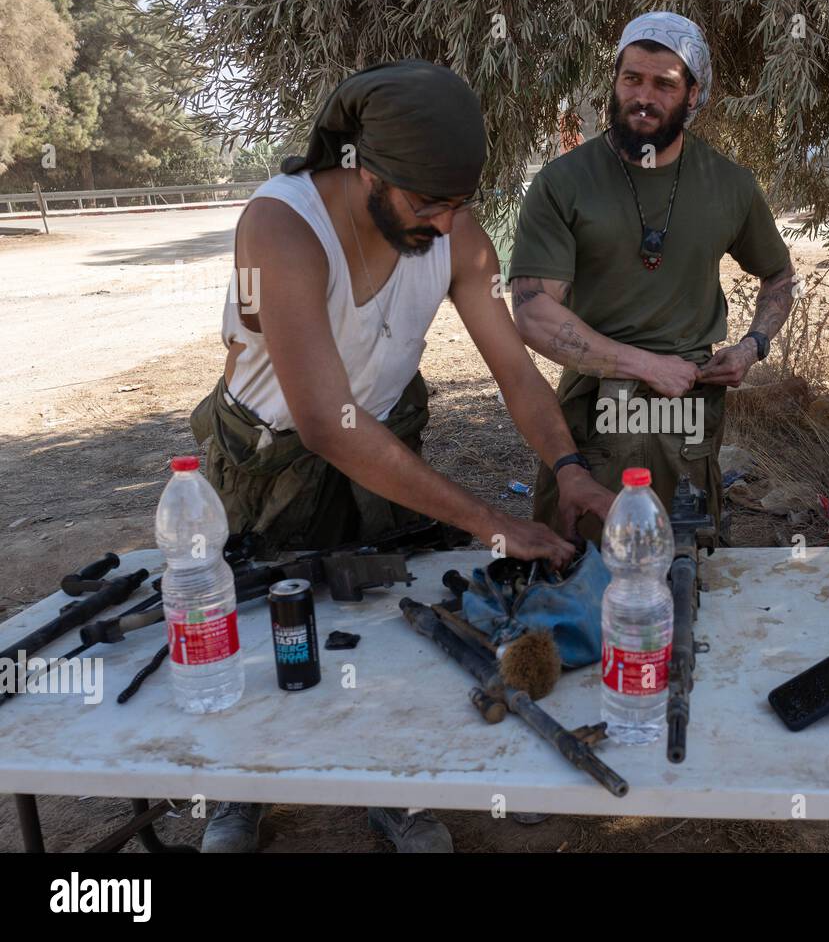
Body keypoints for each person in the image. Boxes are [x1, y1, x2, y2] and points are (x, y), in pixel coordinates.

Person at [189, 60, 614, 853]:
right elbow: (323, 422)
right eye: (429, 203)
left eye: (461, 205)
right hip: (268, 465)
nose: (447, 224)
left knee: (384, 629)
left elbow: (517, 373)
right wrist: (490, 522)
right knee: (271, 630)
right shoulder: (280, 228)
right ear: (366, 171)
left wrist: (568, 468)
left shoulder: (456, 240)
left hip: (382, 445)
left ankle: (392, 789)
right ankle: (238, 786)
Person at [509, 12, 795, 537]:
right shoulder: (563, 183)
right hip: (592, 409)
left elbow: (779, 278)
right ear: (614, 81)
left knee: (685, 562)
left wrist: (753, 345)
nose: (644, 96)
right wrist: (643, 365)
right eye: (632, 78)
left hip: (686, 413)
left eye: (664, 84)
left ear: (693, 95)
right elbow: (532, 314)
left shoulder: (729, 185)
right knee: (574, 566)